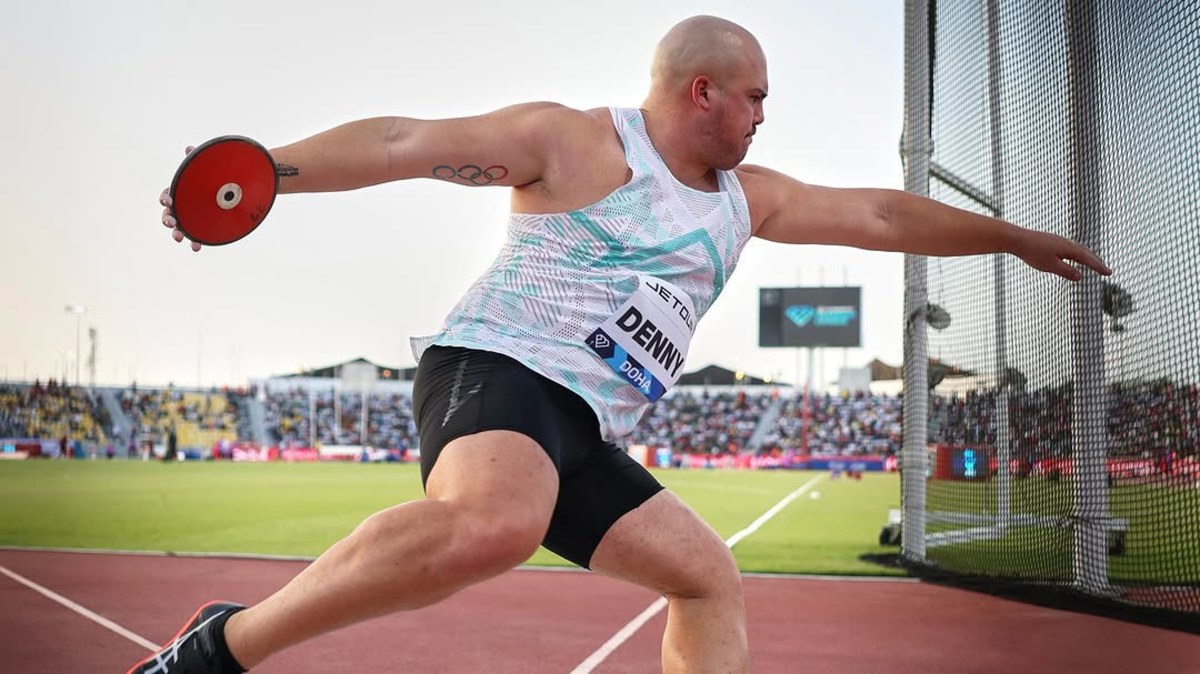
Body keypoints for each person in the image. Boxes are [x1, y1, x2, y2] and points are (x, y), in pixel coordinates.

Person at [129, 15, 1111, 674]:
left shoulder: (746, 197)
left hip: (584, 425)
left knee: (705, 574)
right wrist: (265, 171)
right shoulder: (576, 143)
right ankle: (220, 649)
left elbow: (881, 217)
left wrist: (1015, 238)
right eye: (755, 97)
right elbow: (403, 141)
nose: (767, 115)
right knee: (496, 522)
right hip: (498, 369)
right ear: (701, 92)